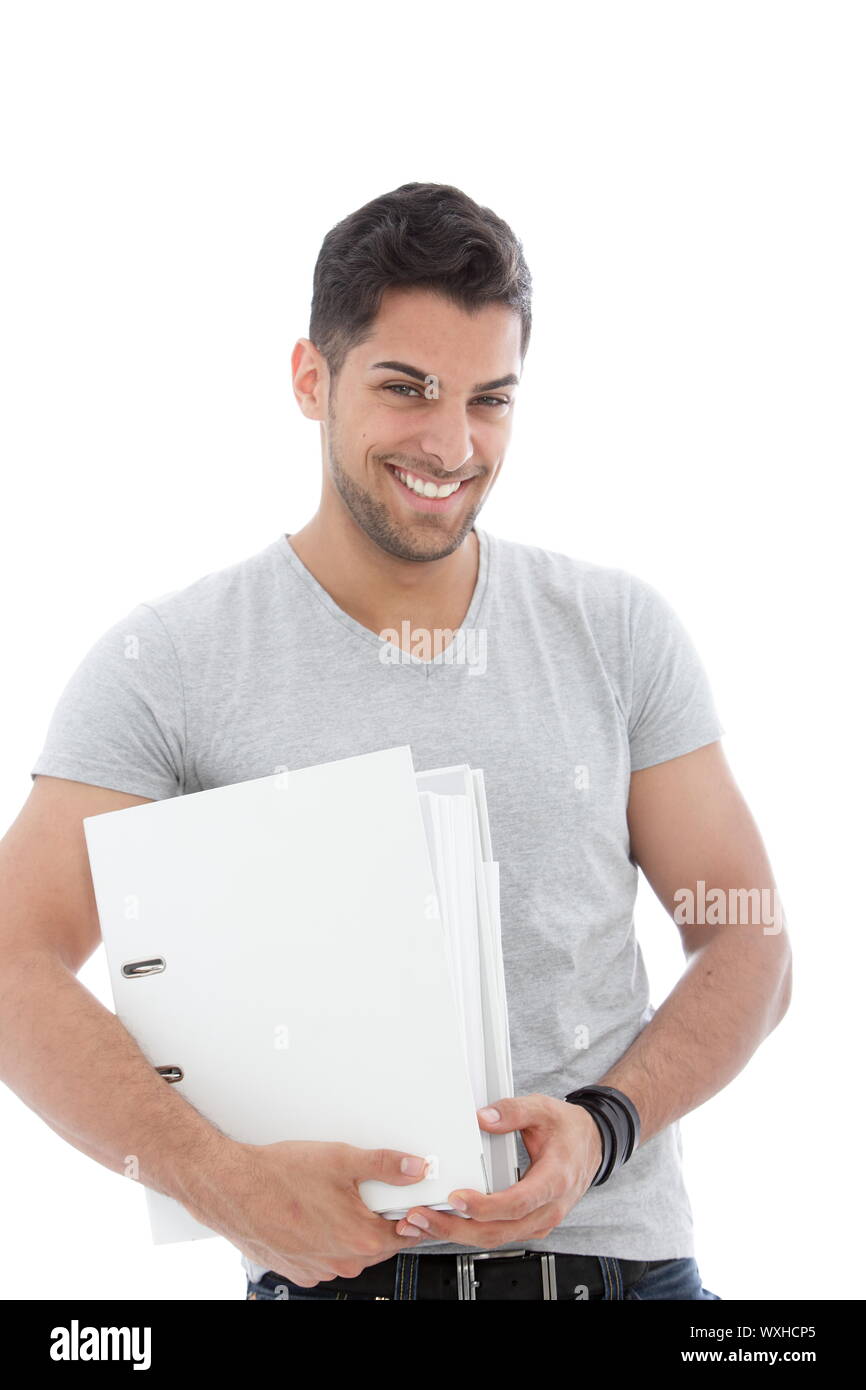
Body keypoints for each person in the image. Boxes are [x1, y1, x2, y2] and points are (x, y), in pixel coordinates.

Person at [0, 182, 791, 1302]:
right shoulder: (171, 663)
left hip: (626, 1271)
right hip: (340, 1278)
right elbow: (11, 961)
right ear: (310, 379)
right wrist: (214, 1178)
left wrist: (601, 1128)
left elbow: (747, 944)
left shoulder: (617, 632)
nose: (451, 443)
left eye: (490, 399)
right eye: (406, 388)